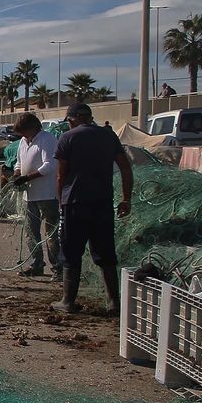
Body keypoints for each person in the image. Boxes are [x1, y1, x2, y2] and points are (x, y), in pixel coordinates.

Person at [52, 102, 134, 314]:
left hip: (75, 203)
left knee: (71, 252)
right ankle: (114, 302)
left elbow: (61, 175)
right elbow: (125, 167)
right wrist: (126, 198)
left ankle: (67, 301)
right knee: (106, 252)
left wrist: (60, 202)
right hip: (103, 202)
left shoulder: (67, 138)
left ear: (72, 119)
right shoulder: (109, 136)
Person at [11, 113, 61, 281]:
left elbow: (50, 165)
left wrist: (28, 177)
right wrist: (18, 173)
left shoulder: (47, 140)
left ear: (33, 127)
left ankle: (58, 268)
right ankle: (36, 264)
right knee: (30, 232)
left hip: (47, 194)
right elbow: (18, 162)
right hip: (29, 195)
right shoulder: (23, 142)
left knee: (51, 233)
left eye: (24, 131)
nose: (23, 135)